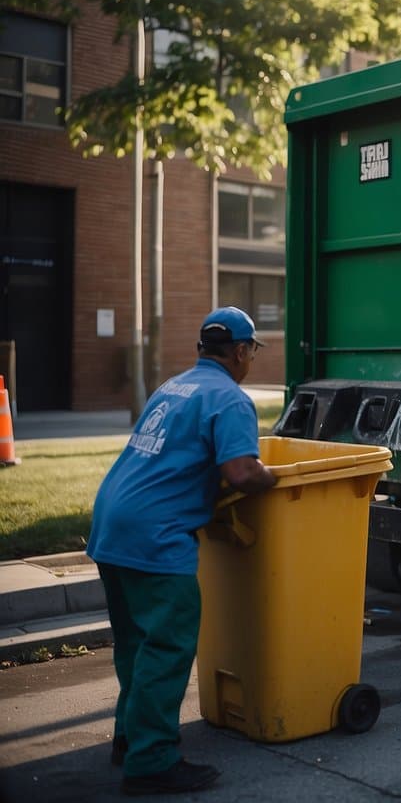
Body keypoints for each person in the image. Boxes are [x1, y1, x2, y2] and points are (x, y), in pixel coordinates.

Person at [87, 307, 277, 795]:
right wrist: (275, 479)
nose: (250, 360)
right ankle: (151, 761)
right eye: (251, 351)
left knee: (135, 643)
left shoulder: (172, 387)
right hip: (157, 533)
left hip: (113, 523)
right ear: (239, 351)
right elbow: (241, 472)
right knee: (168, 644)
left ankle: (129, 740)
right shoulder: (230, 399)